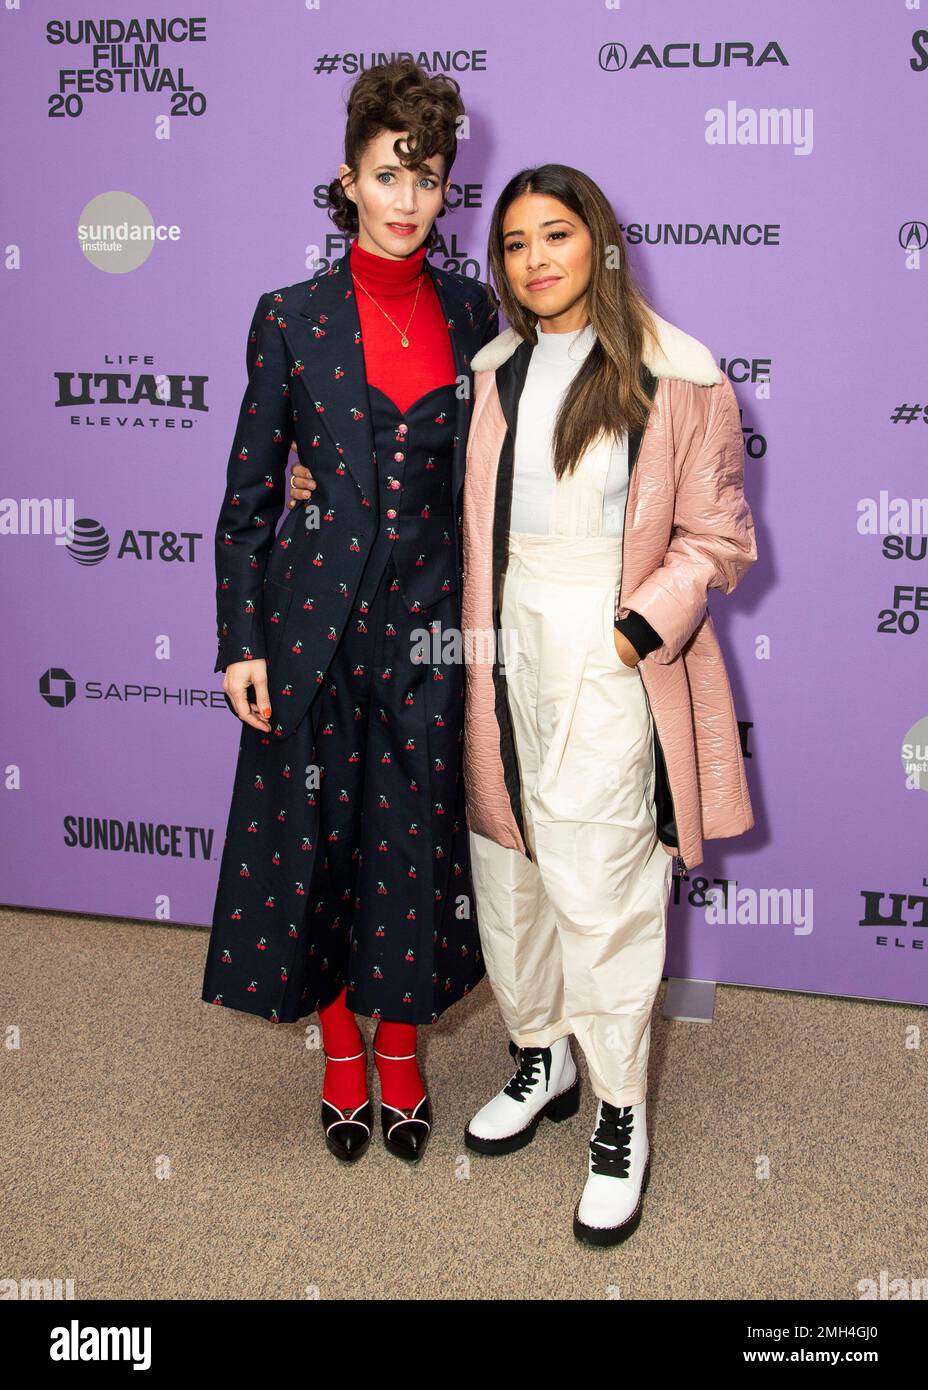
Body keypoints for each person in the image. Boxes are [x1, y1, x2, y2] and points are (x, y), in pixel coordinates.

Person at [201, 59, 499, 1167]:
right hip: (312, 631)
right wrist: (242, 640)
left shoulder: (476, 311)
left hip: (431, 632)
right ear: (349, 178)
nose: (408, 198)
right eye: (388, 174)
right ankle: (339, 1049)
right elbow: (242, 503)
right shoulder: (289, 318)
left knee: (414, 853)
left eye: (427, 177)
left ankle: (407, 1047)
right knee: (317, 851)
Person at [458, 164, 757, 1245]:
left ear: (600, 243)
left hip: (610, 656)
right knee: (510, 871)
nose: (534, 260)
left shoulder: (679, 375)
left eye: (555, 235)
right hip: (501, 651)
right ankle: (539, 1056)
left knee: (601, 882)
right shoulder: (491, 373)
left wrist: (639, 626)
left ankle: (618, 1107)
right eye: (514, 244)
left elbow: (719, 536)